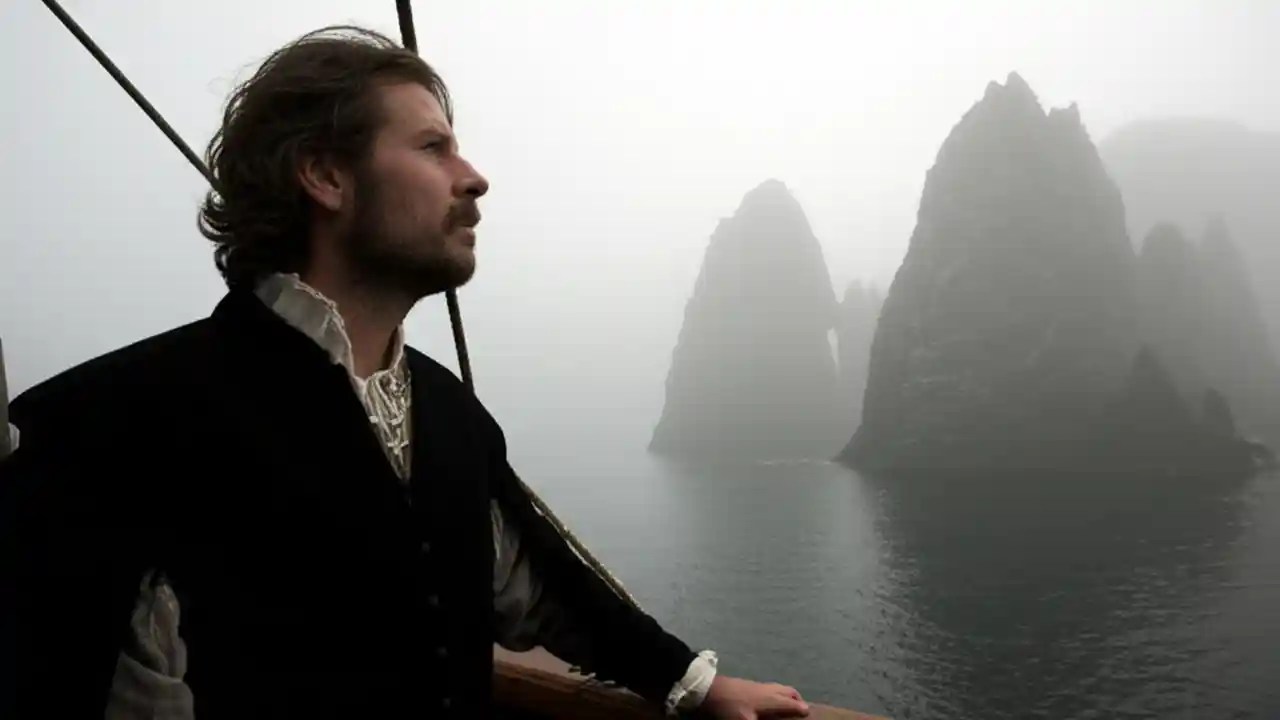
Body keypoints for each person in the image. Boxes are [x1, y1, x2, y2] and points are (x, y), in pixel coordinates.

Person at [0, 26, 812, 719]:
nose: (474, 177)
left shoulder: (447, 413)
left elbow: (536, 583)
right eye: (433, 146)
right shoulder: (111, 428)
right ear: (325, 176)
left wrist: (691, 684)